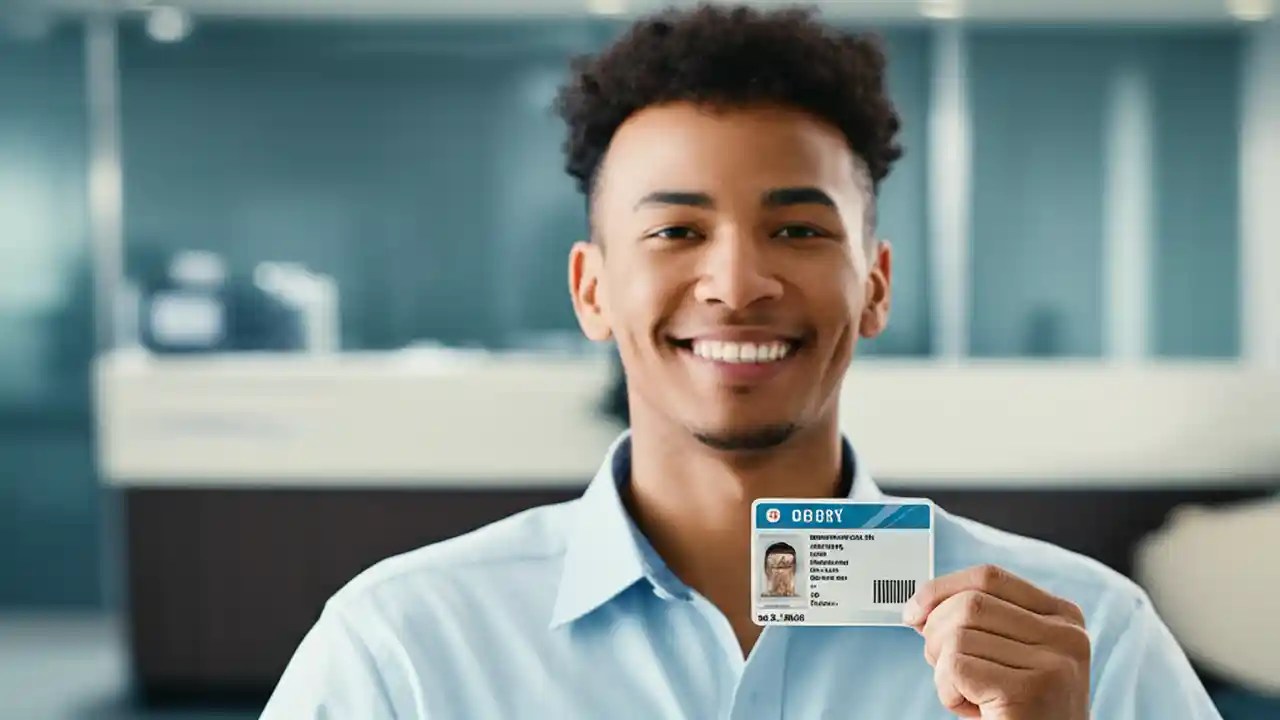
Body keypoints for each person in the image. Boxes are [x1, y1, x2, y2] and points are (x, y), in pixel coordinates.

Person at [261, 5, 1222, 718]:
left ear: (875, 286)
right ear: (592, 289)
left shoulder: (1091, 640)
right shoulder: (405, 649)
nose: (736, 282)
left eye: (798, 228)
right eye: (677, 229)